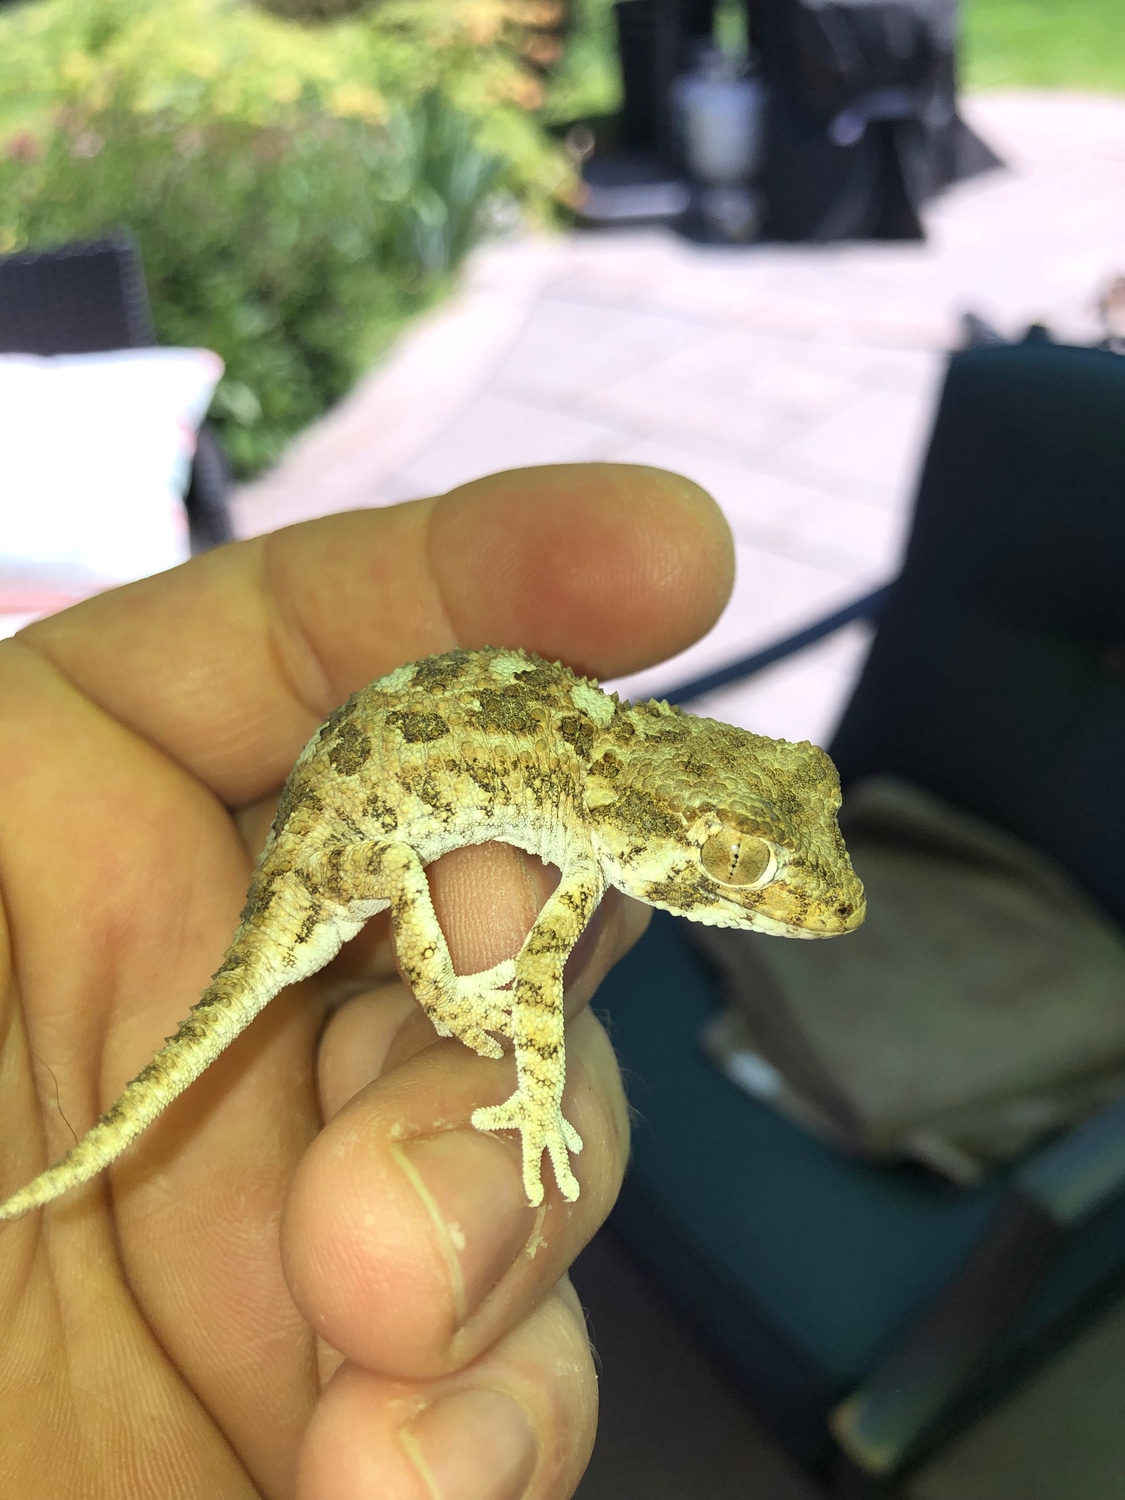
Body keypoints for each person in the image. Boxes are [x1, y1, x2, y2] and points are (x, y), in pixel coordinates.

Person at [0, 463, 734, 1500]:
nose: (799, 901)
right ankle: (445, 1006)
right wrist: (533, 1091)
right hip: (341, 861)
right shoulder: (584, 843)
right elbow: (531, 979)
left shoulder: (601, 817)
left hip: (347, 824)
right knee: (461, 927)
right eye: (741, 866)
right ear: (663, 832)